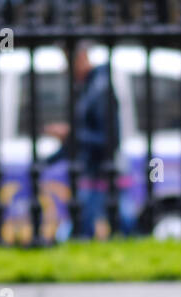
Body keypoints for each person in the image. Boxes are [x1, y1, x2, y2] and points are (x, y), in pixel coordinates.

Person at [44, 42, 122, 239]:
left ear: (81, 58)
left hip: (99, 175)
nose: (65, 69)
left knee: (84, 230)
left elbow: (110, 140)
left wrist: (70, 134)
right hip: (91, 173)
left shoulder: (99, 89)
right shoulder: (89, 88)